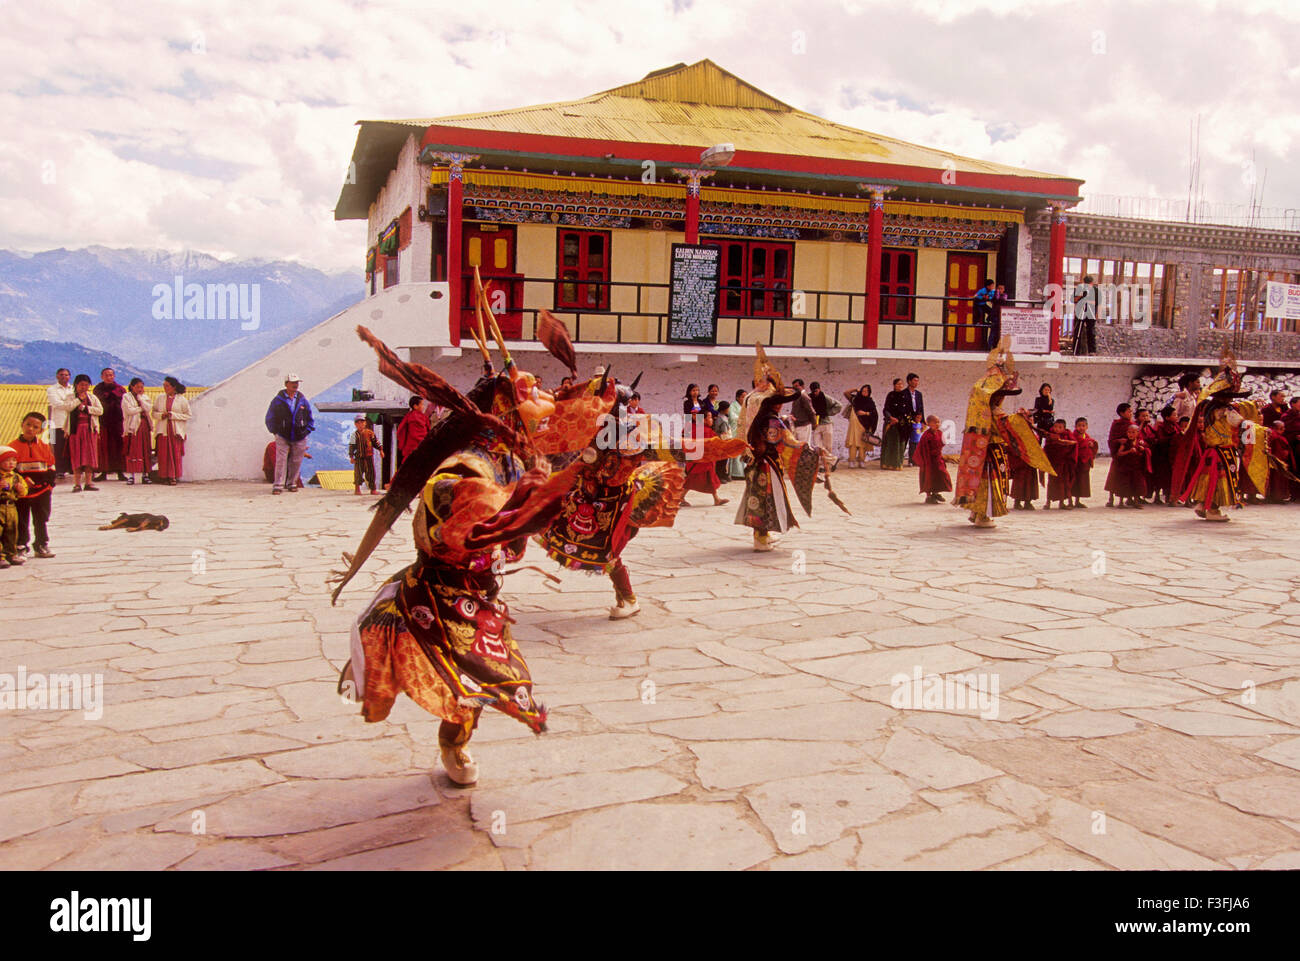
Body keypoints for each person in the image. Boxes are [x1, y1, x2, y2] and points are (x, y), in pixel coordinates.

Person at [953, 337, 1052, 529]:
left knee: (981, 480)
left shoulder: (981, 408)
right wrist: (1020, 418)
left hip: (983, 448)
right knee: (989, 481)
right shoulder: (993, 412)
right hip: (990, 449)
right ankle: (982, 514)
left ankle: (977, 512)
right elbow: (1006, 423)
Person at [10, 413, 55, 559]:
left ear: (41, 430)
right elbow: (10, 469)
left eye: (35, 427)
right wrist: (23, 481)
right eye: (28, 424)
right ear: (22, 424)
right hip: (22, 492)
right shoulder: (12, 447)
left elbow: (51, 466)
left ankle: (41, 544)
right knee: (21, 519)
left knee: (41, 519)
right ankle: (21, 545)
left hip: (42, 491)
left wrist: (49, 484)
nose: (30, 429)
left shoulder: (44, 447)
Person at [265, 373, 314, 495]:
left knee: (296, 461)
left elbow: (309, 416)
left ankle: (292, 483)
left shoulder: (302, 399)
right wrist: (275, 431)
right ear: (286, 384)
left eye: (297, 383)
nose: (295, 385)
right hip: (282, 435)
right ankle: (278, 485)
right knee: (281, 460)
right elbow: (270, 417)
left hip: (299, 435)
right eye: (293, 383)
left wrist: (307, 430)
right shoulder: (277, 400)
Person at [681, 412, 730, 507]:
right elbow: (716, 445)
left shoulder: (691, 428)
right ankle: (681, 496)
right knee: (692, 479)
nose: (712, 419)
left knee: (709, 478)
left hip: (695, 459)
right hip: (703, 460)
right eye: (710, 417)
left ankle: (716, 499)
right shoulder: (706, 431)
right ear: (703, 420)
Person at [66, 374, 103, 492]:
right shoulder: (70, 397)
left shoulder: (92, 397)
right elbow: (68, 408)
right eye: (81, 384)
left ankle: (88, 482)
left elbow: (100, 411)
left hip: (89, 429)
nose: (84, 387)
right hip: (75, 430)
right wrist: (79, 400)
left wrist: (86, 408)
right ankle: (77, 484)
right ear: (76, 385)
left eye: (86, 385)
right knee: (76, 456)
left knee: (89, 456)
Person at [152, 376, 191, 485]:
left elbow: (188, 415)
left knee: (174, 454)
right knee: (163, 454)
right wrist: (161, 415)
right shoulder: (160, 398)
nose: (165, 388)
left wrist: (172, 415)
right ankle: (163, 476)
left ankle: (173, 476)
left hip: (175, 431)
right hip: (163, 430)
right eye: (164, 386)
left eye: (167, 386)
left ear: (173, 387)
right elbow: (153, 413)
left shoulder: (182, 400)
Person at [92, 367, 127, 482]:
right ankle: (103, 472)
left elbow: (124, 405)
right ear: (102, 377)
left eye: (111, 375)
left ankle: (120, 471)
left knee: (118, 447)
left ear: (114, 376)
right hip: (104, 421)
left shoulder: (120, 389)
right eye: (106, 375)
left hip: (117, 422)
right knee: (104, 447)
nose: (109, 377)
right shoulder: (97, 389)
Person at [1108, 423, 1151, 508]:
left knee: (1137, 484)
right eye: (1129, 432)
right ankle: (1121, 502)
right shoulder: (1125, 442)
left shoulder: (1140, 442)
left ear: (1138, 433)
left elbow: (1147, 450)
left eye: (1133, 432)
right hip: (1125, 467)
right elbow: (1119, 453)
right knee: (1124, 484)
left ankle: (1136, 502)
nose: (1131, 434)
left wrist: (1144, 450)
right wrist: (1129, 451)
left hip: (1136, 467)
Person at [121, 378, 154, 485]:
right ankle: (131, 475)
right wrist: (140, 408)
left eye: (141, 387)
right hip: (133, 427)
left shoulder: (145, 397)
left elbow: (148, 408)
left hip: (144, 426)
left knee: (145, 449)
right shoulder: (126, 397)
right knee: (133, 450)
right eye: (137, 387)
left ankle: (145, 475)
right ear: (132, 387)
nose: (140, 389)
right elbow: (129, 410)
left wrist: (140, 403)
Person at [0, 446, 28, 568]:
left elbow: (24, 491)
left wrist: (21, 490)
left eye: (13, 460)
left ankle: (11, 554)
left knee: (12, 531)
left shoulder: (16, 477)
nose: (11, 463)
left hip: (11, 507)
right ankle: (0, 556)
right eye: (7, 460)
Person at [1042, 420, 1078, 510]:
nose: (1057, 429)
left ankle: (1062, 503)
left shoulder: (1068, 434)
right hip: (1054, 463)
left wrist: (1065, 442)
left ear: (1064, 428)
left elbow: (1074, 444)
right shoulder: (1050, 435)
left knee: (1064, 483)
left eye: (1060, 427)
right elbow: (1047, 448)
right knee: (1052, 483)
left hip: (1064, 463)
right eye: (1055, 427)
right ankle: (1048, 502)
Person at [1104, 403, 1134, 507]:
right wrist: (1118, 441)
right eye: (1128, 411)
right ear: (1121, 413)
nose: (1131, 413)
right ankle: (1111, 498)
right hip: (1118, 453)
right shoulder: (1116, 424)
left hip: (1129, 454)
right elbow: (1111, 439)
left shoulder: (1131, 424)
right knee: (1114, 476)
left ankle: (1128, 498)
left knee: (1128, 477)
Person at [916, 415, 951, 503]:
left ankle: (935, 492)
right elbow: (922, 448)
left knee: (941, 474)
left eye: (938, 422)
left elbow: (942, 443)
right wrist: (925, 461)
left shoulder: (940, 433)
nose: (938, 424)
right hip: (928, 460)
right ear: (929, 424)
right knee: (929, 477)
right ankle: (928, 496)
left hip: (938, 459)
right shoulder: (926, 435)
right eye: (935, 422)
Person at [46, 368, 74, 479]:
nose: (64, 377)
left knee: (71, 446)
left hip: (71, 422)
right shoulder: (51, 389)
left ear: (69, 376)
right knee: (58, 447)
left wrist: (68, 404)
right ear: (57, 376)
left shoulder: (73, 388)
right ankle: (60, 470)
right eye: (61, 375)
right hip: (58, 422)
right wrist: (71, 405)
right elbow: (56, 403)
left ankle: (72, 468)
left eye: (66, 375)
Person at [1148, 405, 1179, 505]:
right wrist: (1173, 438)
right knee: (1160, 477)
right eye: (1174, 415)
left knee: (1170, 477)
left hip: (1171, 455)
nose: (1176, 416)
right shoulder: (1161, 427)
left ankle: (1169, 497)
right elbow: (1161, 440)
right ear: (1167, 417)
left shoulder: (1175, 426)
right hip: (1161, 456)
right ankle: (1157, 496)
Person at [843, 384, 878, 468]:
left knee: (863, 444)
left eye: (866, 391)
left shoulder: (870, 402)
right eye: (863, 391)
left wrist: (866, 413)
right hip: (855, 424)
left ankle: (861, 460)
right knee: (853, 443)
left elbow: (875, 414)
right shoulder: (855, 399)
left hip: (865, 425)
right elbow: (846, 393)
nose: (864, 393)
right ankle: (851, 460)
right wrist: (855, 389)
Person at [349, 415, 383, 495]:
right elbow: (351, 446)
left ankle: (373, 489)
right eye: (358, 423)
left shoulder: (370, 433)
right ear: (355, 424)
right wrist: (351, 457)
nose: (360, 424)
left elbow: (376, 442)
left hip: (369, 457)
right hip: (359, 458)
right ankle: (357, 489)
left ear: (365, 423)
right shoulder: (354, 435)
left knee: (371, 473)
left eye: (362, 422)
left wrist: (381, 450)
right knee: (358, 473)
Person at [808, 381, 837, 472]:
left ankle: (827, 465)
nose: (815, 393)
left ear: (819, 389)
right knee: (818, 446)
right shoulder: (809, 398)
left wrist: (828, 413)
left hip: (826, 423)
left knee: (828, 446)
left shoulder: (825, 397)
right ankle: (831, 460)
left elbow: (838, 405)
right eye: (813, 391)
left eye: (816, 391)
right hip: (816, 424)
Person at [881, 378, 909, 470]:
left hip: (901, 424)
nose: (899, 386)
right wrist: (890, 418)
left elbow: (907, 410)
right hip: (891, 423)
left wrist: (900, 419)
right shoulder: (890, 395)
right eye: (897, 384)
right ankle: (887, 464)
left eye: (901, 384)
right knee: (889, 443)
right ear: (894, 385)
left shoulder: (905, 395)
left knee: (899, 444)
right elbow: (886, 409)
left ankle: (897, 464)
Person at [395, 396, 430, 469]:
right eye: (422, 404)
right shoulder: (414, 416)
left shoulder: (414, 415)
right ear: (415, 406)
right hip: (414, 446)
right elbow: (416, 434)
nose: (423, 407)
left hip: (415, 446)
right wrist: (426, 440)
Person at [1070, 417, 1098, 508]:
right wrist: (1088, 443)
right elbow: (1075, 445)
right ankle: (1070, 501)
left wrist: (1091, 445)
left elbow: (1092, 445)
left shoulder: (1087, 436)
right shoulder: (1073, 436)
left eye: (1083, 426)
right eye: (1079, 426)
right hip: (1076, 462)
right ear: (1075, 426)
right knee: (1073, 481)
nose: (1081, 428)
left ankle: (1077, 501)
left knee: (1081, 482)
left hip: (1084, 463)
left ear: (1087, 427)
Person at [1072, 275, 1098, 355]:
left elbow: (1097, 302)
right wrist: (1080, 295)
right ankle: (1076, 350)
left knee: (1091, 331)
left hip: (1090, 312)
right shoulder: (1079, 289)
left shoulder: (1095, 290)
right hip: (1080, 311)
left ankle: (1092, 351)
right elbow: (1074, 300)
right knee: (1077, 330)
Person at [902, 374, 924, 464]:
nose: (916, 383)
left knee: (915, 441)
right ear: (909, 381)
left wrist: (922, 420)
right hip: (906, 419)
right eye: (914, 380)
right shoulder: (903, 393)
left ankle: (913, 460)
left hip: (916, 420)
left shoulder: (919, 394)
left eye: (917, 381)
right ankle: (900, 459)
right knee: (904, 439)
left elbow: (921, 407)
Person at [788, 378, 815, 445]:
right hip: (797, 425)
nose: (795, 388)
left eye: (797, 386)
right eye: (794, 387)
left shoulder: (804, 396)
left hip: (804, 426)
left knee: (804, 447)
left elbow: (810, 411)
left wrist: (814, 423)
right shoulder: (797, 396)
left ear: (802, 386)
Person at [973, 278, 997, 348]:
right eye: (991, 286)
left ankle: (988, 319)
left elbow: (993, 296)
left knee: (991, 311)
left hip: (983, 304)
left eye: (993, 285)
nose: (992, 287)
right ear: (987, 286)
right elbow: (975, 296)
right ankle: (976, 322)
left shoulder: (992, 291)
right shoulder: (982, 290)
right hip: (979, 304)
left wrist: (989, 298)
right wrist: (982, 297)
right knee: (979, 313)